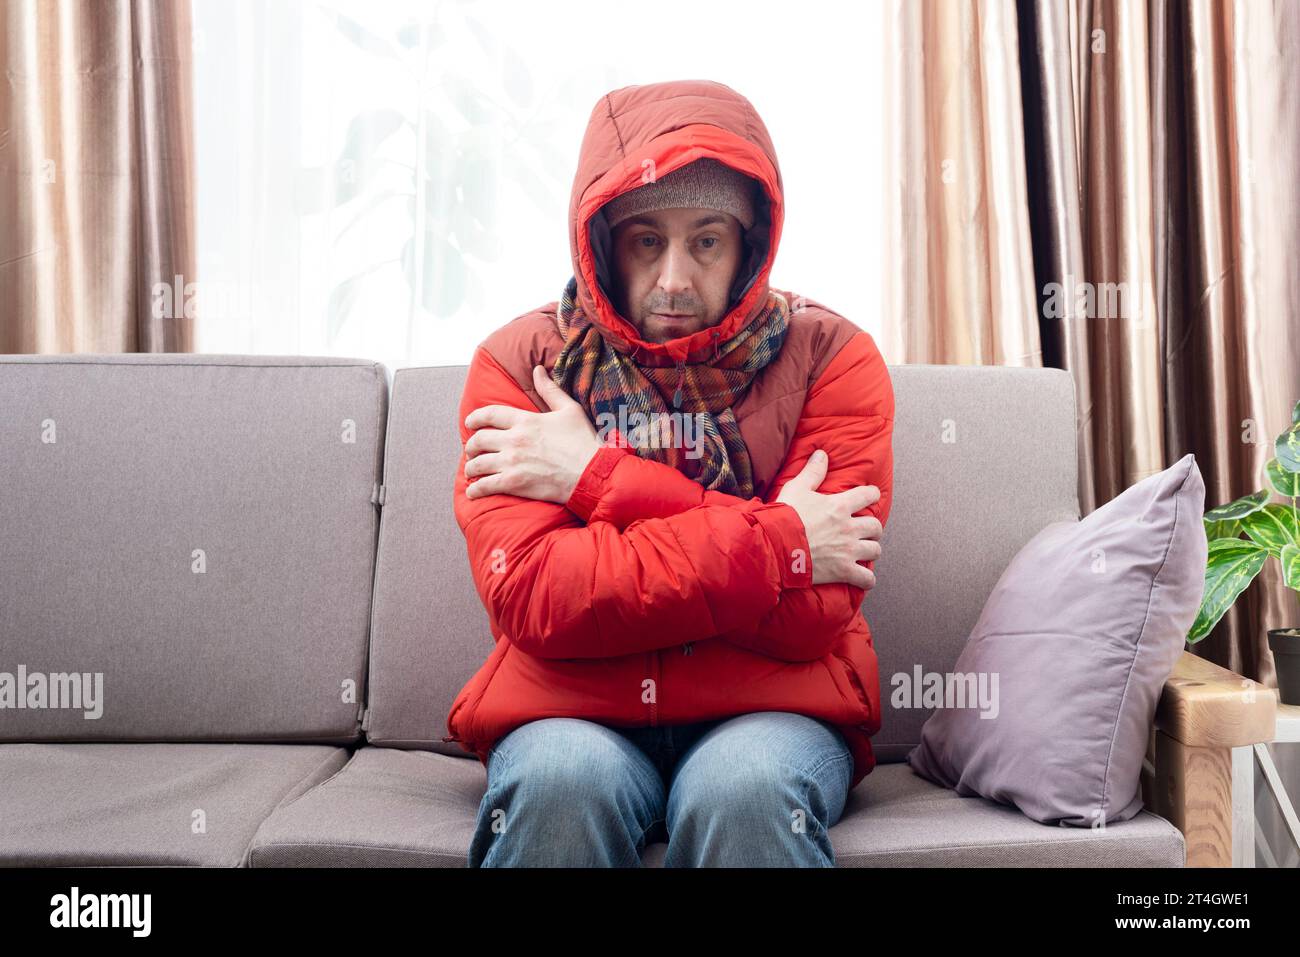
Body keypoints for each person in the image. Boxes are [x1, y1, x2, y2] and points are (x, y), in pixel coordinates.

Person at [442, 78, 895, 867]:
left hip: (773, 713)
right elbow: (539, 597)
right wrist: (781, 540)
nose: (676, 278)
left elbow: (814, 612)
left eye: (707, 240)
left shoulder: (834, 359)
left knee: (746, 791)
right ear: (603, 243)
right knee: (558, 787)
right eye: (647, 240)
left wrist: (593, 477)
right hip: (569, 714)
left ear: (749, 244)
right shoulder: (518, 368)